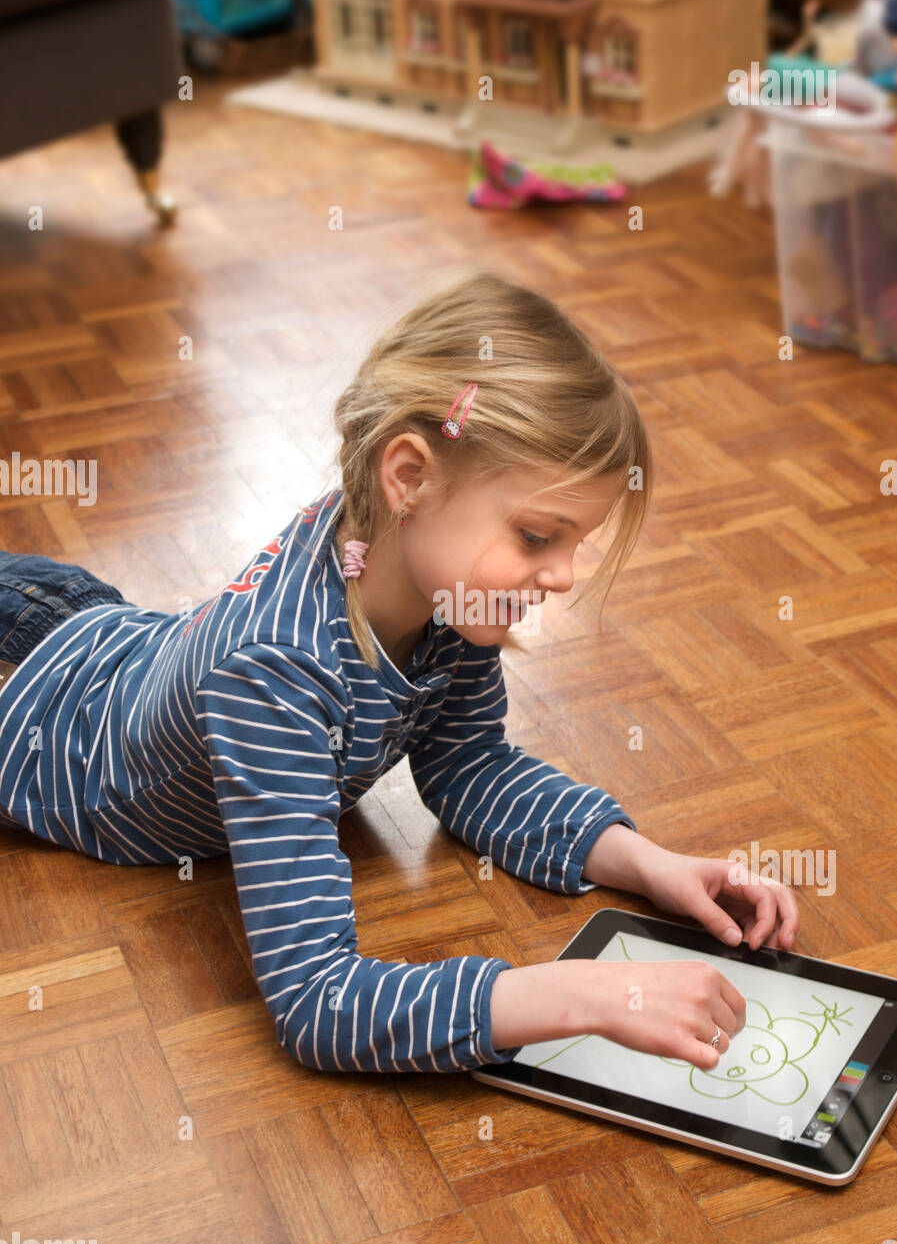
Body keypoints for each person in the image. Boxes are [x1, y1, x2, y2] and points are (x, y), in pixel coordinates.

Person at [0, 266, 798, 1075]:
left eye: (573, 545)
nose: (560, 576)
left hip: (89, 633)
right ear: (408, 476)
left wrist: (649, 865)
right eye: (535, 537)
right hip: (25, 714)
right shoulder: (274, 674)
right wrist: (589, 996)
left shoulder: (428, 577)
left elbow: (469, 767)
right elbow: (317, 1002)